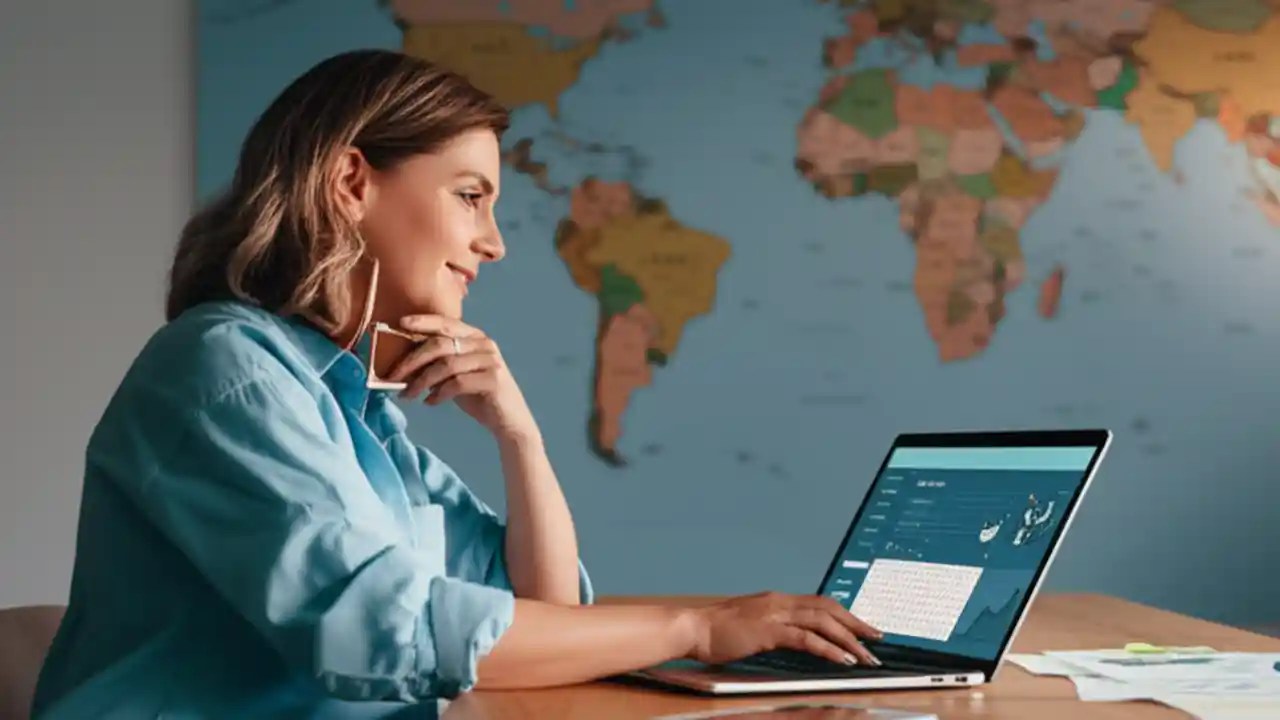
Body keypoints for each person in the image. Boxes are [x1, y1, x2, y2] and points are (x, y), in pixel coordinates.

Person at [31, 49, 882, 719]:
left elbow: (539, 614)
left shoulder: (347, 404)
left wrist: (521, 438)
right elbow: (383, 629)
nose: (494, 242)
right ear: (351, 183)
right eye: (470, 196)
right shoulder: (226, 371)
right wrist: (695, 626)